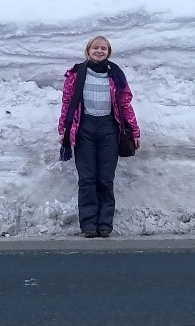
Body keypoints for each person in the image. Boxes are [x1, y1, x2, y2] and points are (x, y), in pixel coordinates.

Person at [57, 35, 141, 237]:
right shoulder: (76, 73)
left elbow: (124, 104)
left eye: (104, 48)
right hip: (84, 128)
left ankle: (104, 224)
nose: (99, 51)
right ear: (88, 50)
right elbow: (67, 103)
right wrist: (63, 129)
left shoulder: (116, 74)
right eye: (95, 47)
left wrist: (134, 131)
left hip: (109, 129)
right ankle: (88, 225)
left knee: (105, 179)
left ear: (108, 52)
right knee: (87, 179)